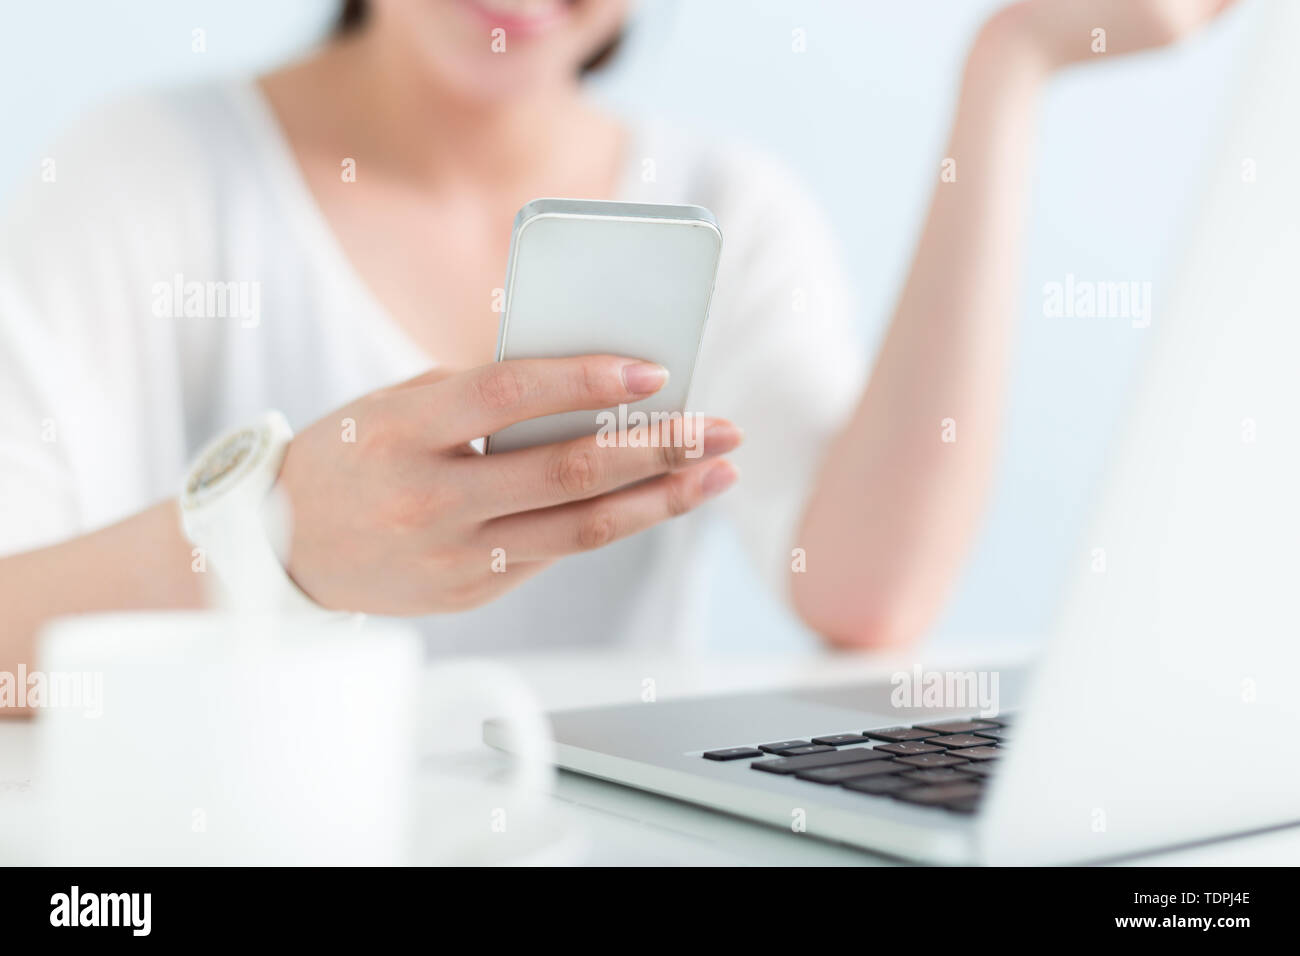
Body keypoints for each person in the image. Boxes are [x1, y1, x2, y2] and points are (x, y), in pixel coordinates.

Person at [0, 0, 1237, 679]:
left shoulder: (724, 208)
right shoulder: (145, 174)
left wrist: (1006, 64)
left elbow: (871, 591)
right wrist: (273, 538)